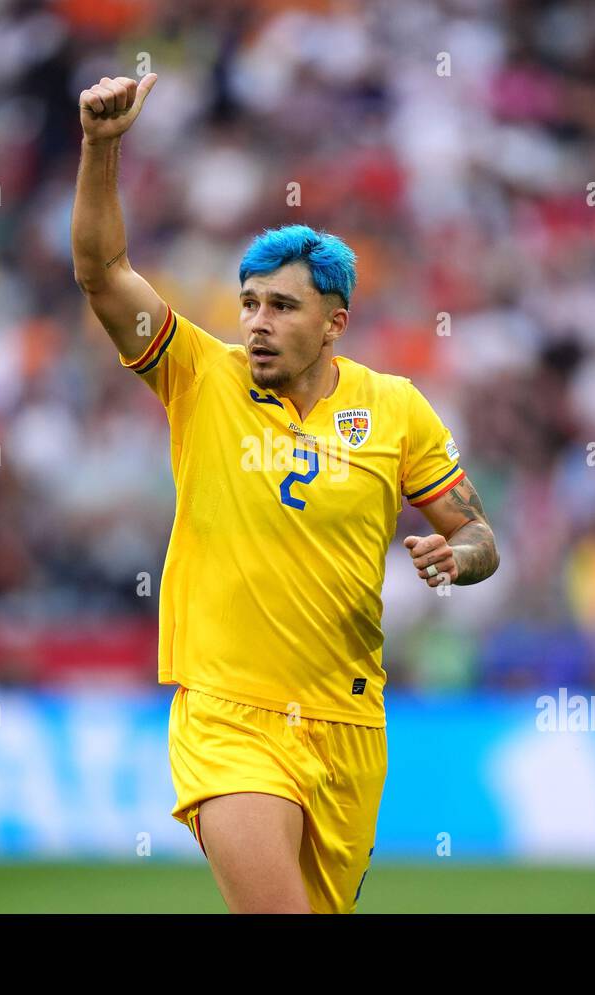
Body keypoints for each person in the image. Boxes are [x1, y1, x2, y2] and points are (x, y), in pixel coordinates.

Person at [71, 74, 500, 913]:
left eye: (281, 306)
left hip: (348, 725)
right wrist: (101, 145)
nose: (256, 322)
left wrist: (460, 555)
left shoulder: (395, 409)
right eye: (248, 303)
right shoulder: (199, 376)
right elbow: (101, 269)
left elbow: (480, 533)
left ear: (335, 322)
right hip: (229, 712)